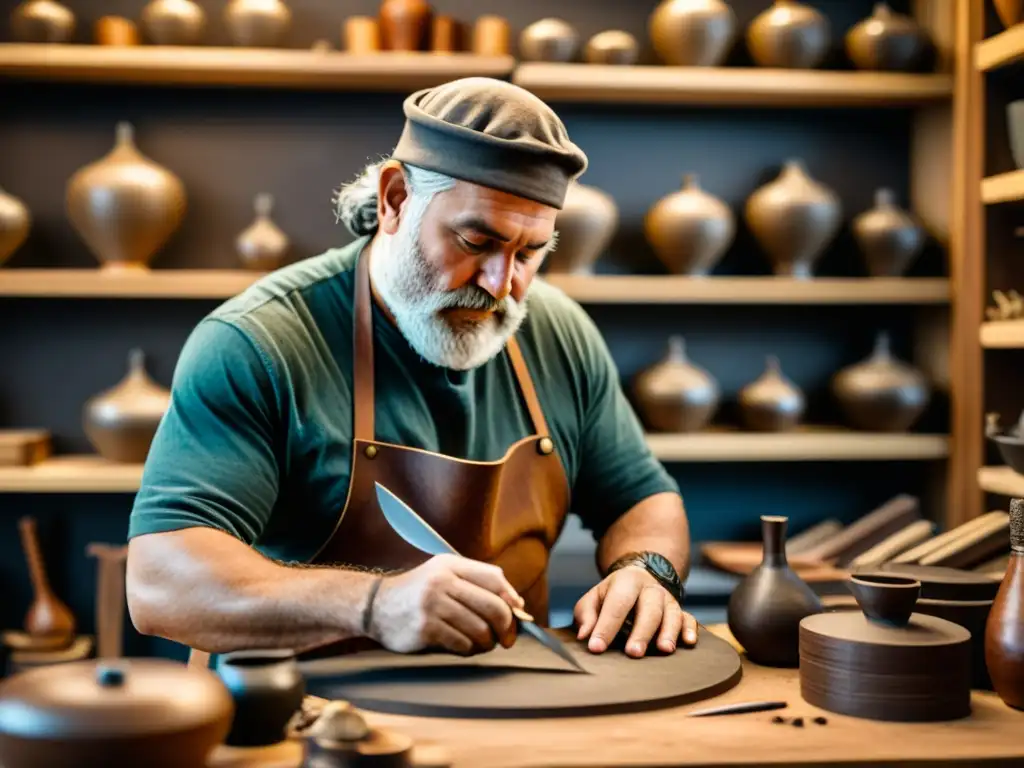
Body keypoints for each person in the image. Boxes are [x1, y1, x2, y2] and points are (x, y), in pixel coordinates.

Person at [125, 76, 696, 664]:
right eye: (476, 240)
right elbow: (159, 584)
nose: (500, 287)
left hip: (518, 703)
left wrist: (647, 570)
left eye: (528, 254)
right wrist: (372, 604)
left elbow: (643, 499)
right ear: (396, 199)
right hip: (309, 717)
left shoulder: (559, 333)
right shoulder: (259, 342)